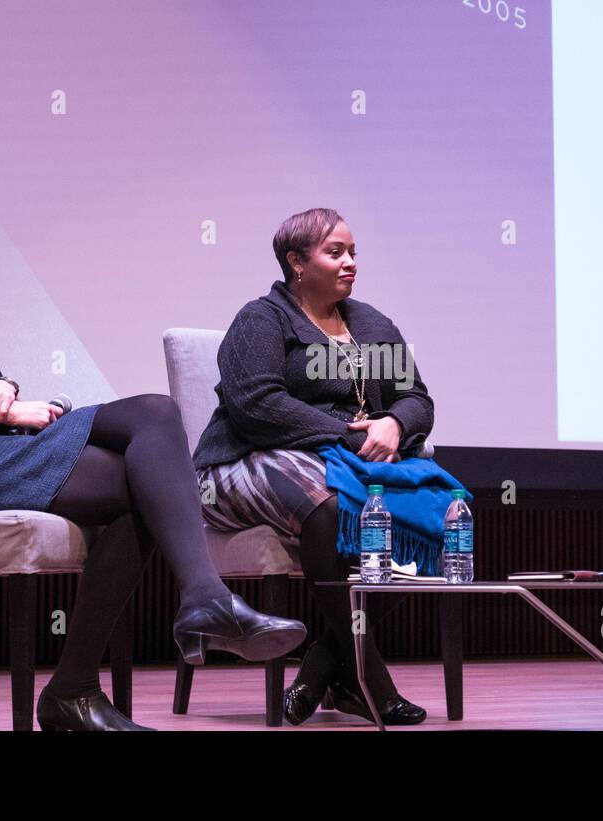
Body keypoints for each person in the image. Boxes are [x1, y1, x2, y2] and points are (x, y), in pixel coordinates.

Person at [0, 117, 305, 731]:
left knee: (145, 457)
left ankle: (86, 682)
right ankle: (190, 610)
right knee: (150, 441)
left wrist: (4, 394)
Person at [193, 208, 434, 725]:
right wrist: (348, 433)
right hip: (246, 459)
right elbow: (256, 404)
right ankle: (371, 682)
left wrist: (393, 424)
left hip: (341, 461)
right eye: (336, 253)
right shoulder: (262, 319)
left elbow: (418, 398)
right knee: (331, 509)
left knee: (432, 517)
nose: (350, 263)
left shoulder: (372, 324)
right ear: (296, 262)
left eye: (353, 253)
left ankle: (327, 663)